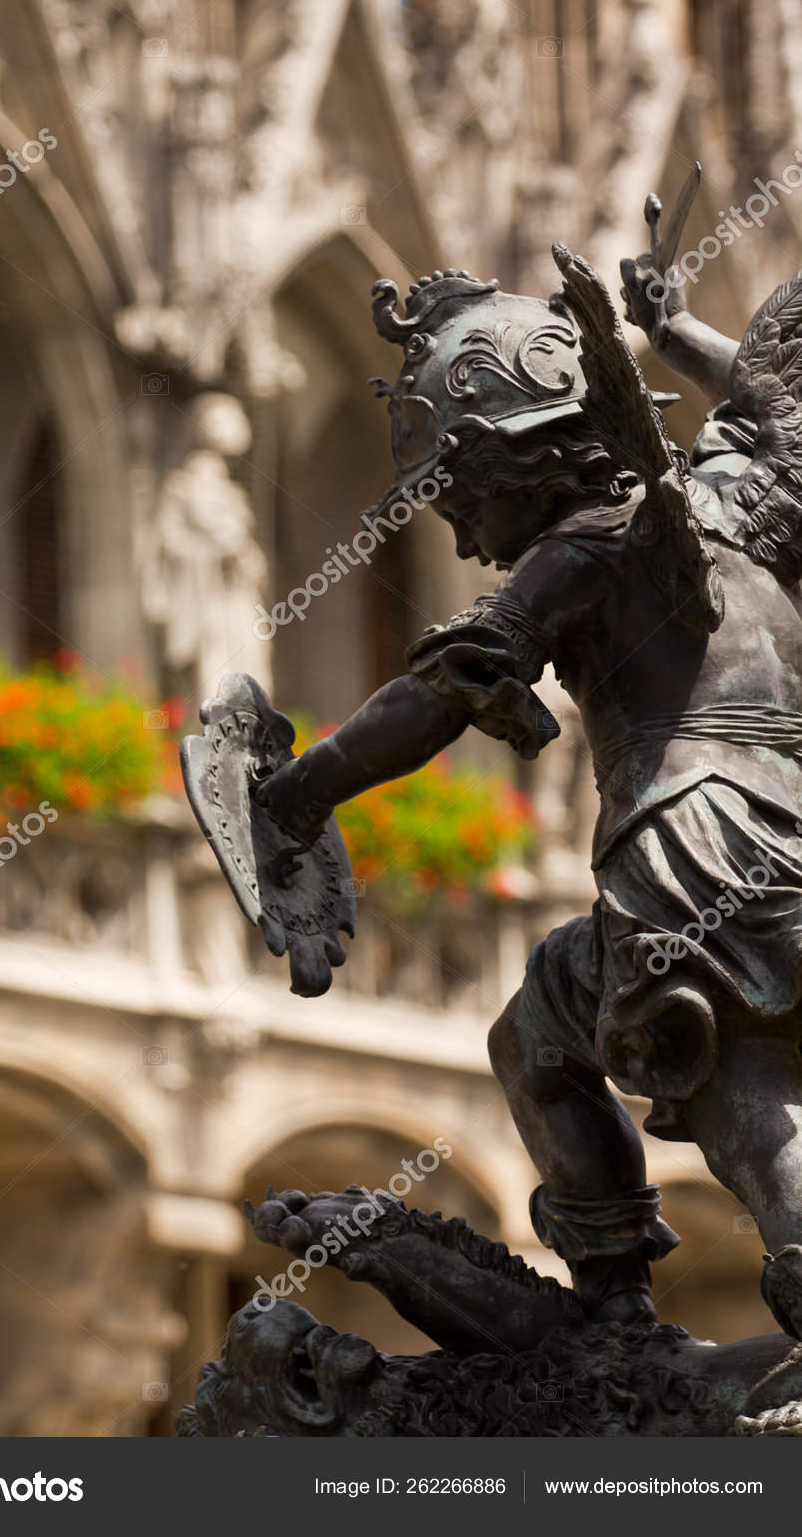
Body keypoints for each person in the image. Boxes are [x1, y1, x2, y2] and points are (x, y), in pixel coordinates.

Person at [254, 258, 802, 1335]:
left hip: (696, 842)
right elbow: (768, 405)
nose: (461, 537)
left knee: (735, 1085)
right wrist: (683, 332)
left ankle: (624, 1313)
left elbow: (438, 694)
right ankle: (612, 1318)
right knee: (541, 1024)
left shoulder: (586, 542)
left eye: (461, 501)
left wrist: (301, 789)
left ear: (514, 466)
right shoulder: (747, 502)